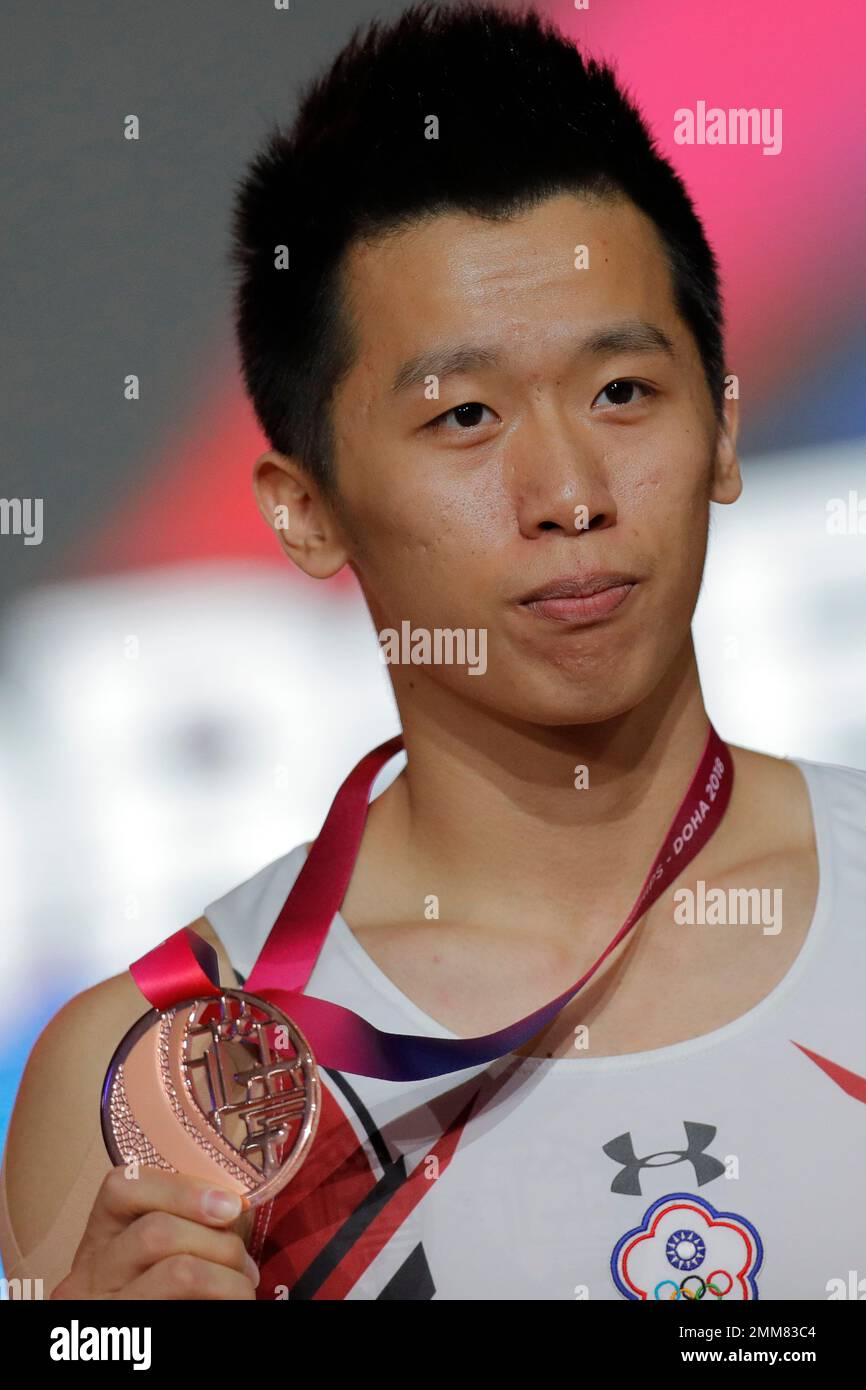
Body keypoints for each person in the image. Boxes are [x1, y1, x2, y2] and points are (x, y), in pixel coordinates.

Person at [3, 0, 865, 1302]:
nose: (568, 490)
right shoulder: (147, 1090)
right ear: (304, 511)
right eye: (463, 415)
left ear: (725, 428)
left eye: (622, 391)